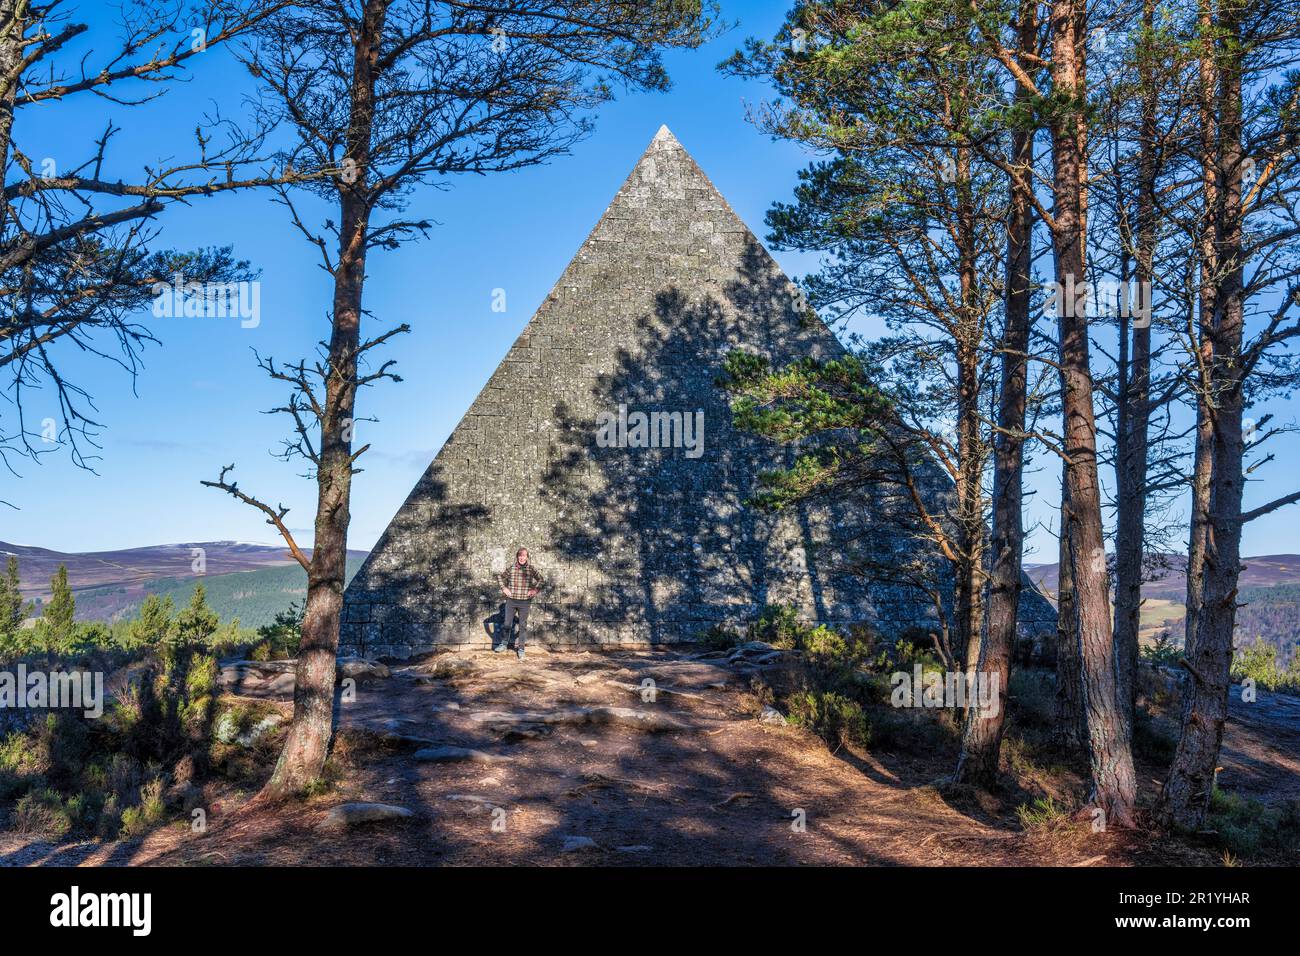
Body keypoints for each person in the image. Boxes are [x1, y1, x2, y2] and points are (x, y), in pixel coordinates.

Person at [496, 547, 543, 660]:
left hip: (525, 602)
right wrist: (504, 588)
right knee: (507, 624)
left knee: (522, 626)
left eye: (524, 556)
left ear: (527, 557)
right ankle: (503, 644)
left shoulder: (531, 569)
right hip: (511, 601)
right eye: (520, 556)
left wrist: (535, 590)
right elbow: (499, 577)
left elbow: (541, 579)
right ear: (517, 557)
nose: (522, 558)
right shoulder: (511, 568)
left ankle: (521, 649)